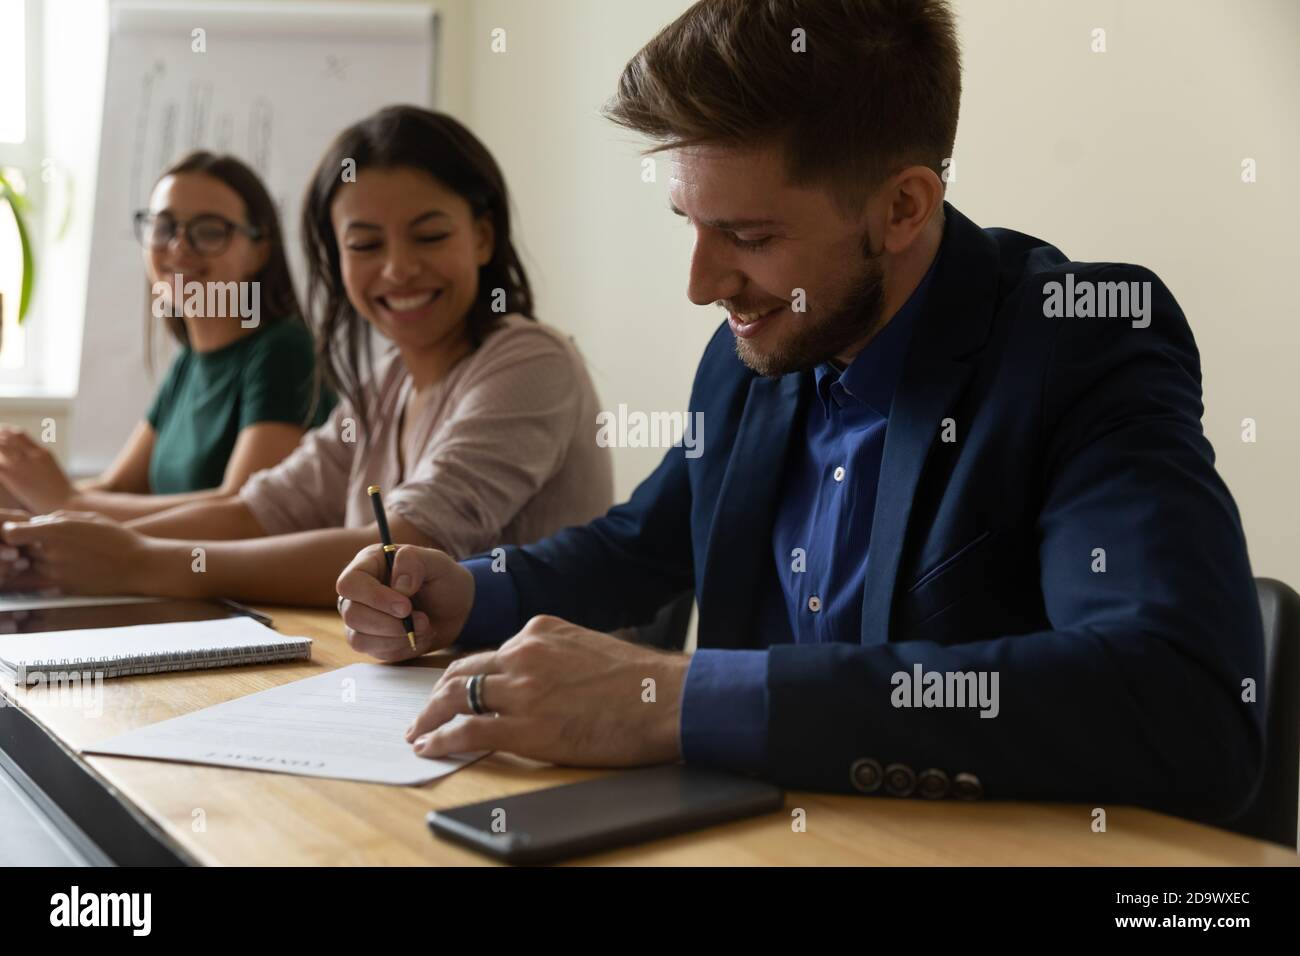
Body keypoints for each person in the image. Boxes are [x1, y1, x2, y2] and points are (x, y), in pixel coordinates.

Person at [336, 0, 1262, 825]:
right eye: (689, 226)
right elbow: (642, 544)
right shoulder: (754, 353)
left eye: (748, 236)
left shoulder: (1079, 342)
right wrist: (469, 589)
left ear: (904, 206)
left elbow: (1179, 703)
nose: (701, 285)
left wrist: (675, 697)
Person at [0, 107, 613, 606]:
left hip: (533, 721)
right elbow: (257, 510)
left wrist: (137, 560)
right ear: (337, 259)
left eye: (429, 235)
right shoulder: (382, 387)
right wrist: (51, 544)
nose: (398, 267)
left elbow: (402, 545)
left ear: (481, 236)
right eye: (366, 243)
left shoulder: (533, 362)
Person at [0, 151, 332, 520]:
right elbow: (117, 487)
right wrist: (19, 490)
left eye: (209, 231)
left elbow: (241, 511)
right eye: (163, 227)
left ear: (260, 250)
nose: (178, 246)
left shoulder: (283, 352)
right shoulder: (190, 360)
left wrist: (67, 502)